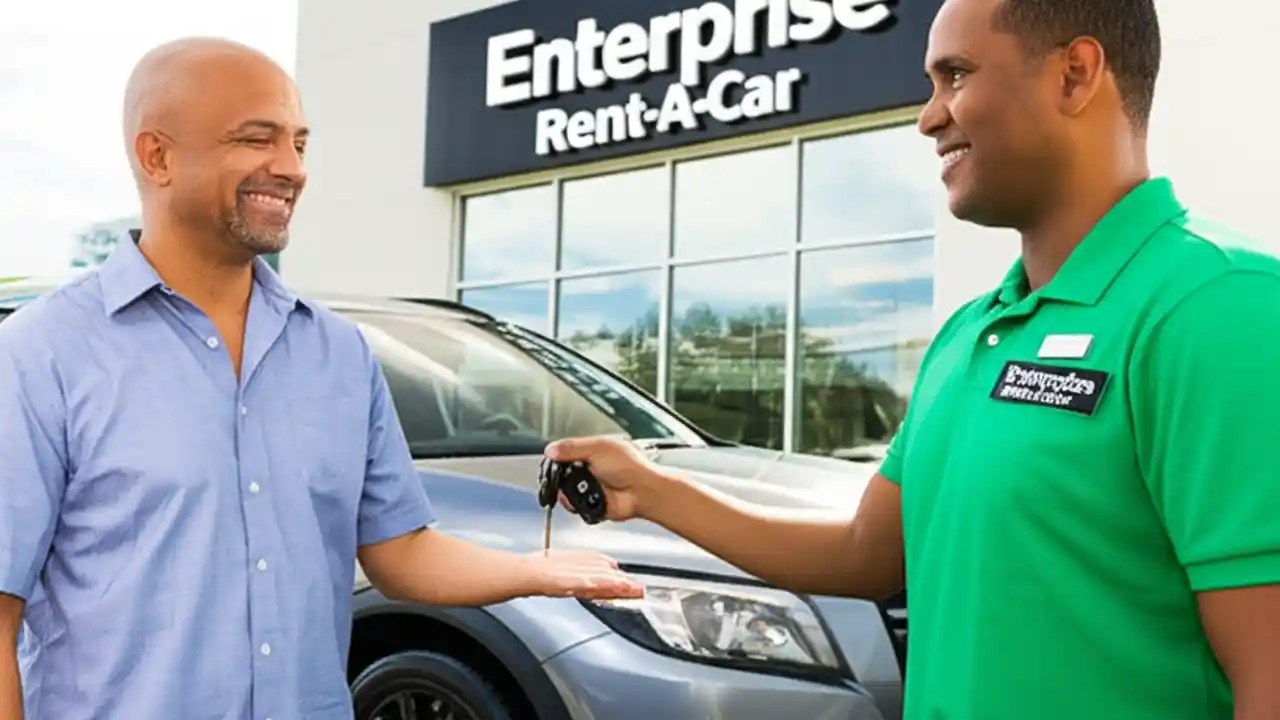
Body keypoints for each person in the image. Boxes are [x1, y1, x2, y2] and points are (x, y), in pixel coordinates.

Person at [544, 0, 1280, 717]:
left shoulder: (1220, 308)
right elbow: (867, 552)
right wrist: (652, 488)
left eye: (955, 76)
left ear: (1076, 74)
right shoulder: (972, 332)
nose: (929, 117)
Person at [0, 37, 642, 720]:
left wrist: (533, 573)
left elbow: (400, 552)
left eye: (299, 144)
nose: (290, 168)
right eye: (257, 139)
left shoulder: (339, 353)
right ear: (156, 155)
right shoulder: (41, 353)